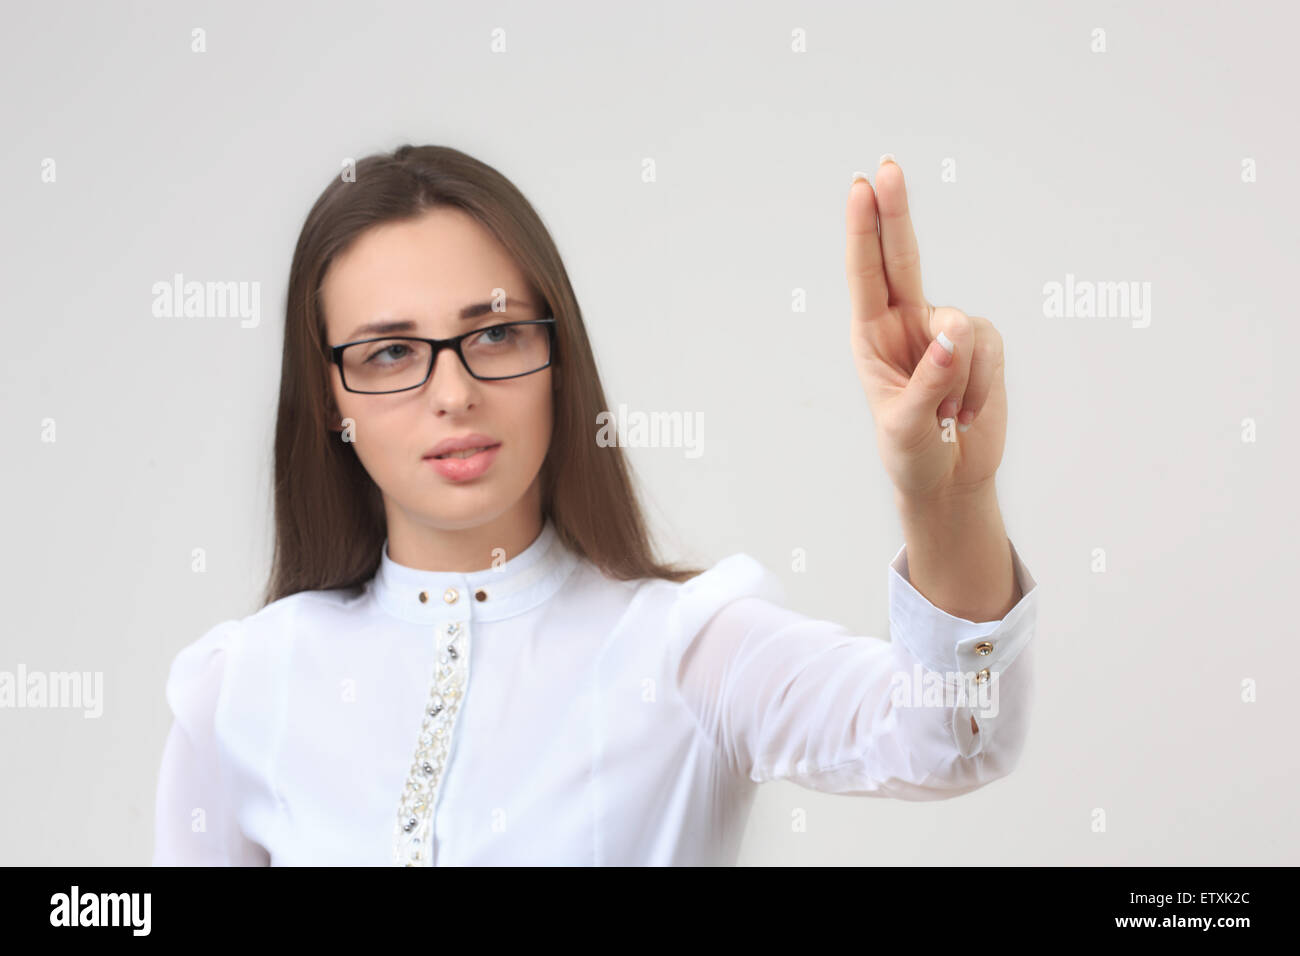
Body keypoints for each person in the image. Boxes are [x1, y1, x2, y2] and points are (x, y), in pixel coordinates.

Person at [152, 145, 1038, 866]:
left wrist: (948, 495)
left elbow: (952, 735)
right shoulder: (243, 687)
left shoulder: (688, 648)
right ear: (328, 396)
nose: (452, 392)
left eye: (494, 333)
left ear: (559, 352)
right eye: (389, 353)